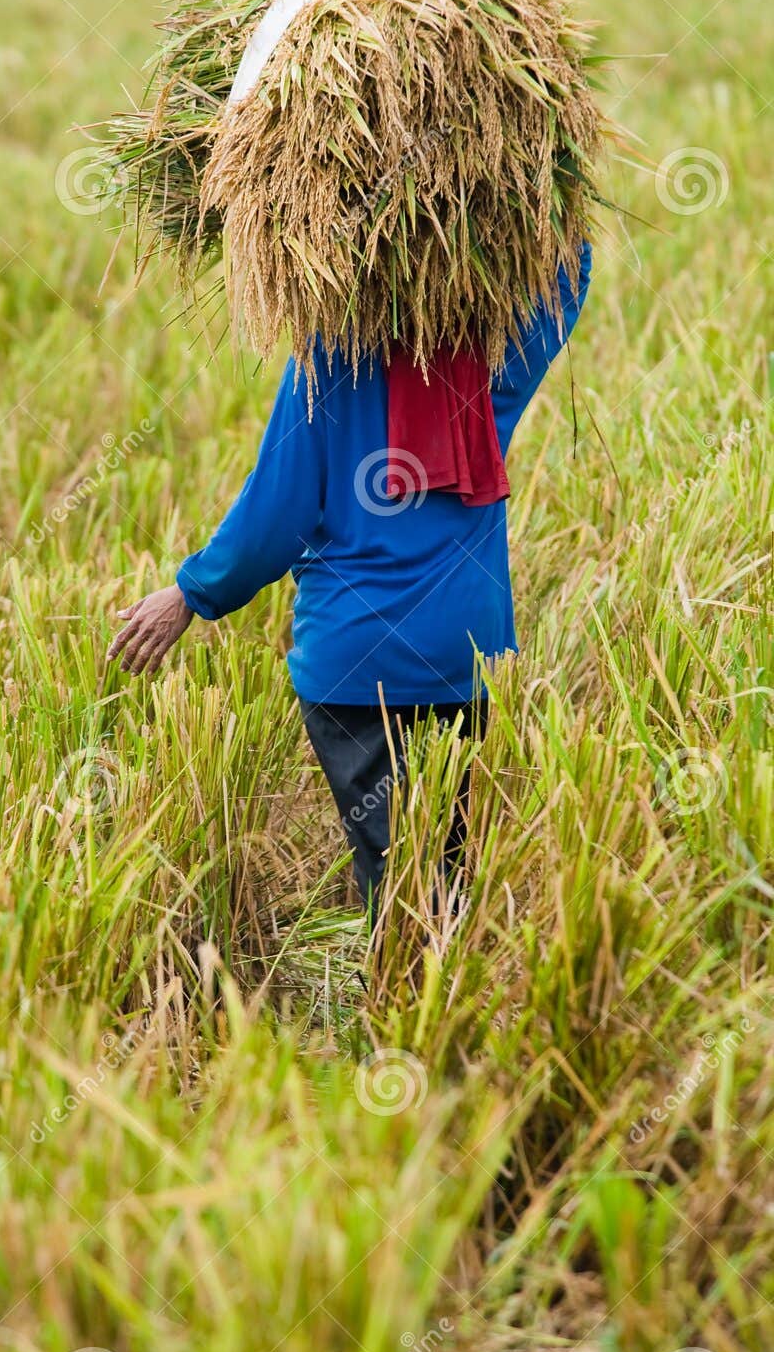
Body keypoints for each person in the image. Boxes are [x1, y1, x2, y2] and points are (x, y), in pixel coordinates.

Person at [109, 246, 592, 917]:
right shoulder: (490, 365)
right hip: (466, 656)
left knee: (393, 881)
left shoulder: (328, 361)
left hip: (355, 667)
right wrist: (521, 188)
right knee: (448, 874)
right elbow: (564, 276)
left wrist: (192, 593)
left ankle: (407, 1006)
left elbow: (275, 514)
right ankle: (445, 1005)